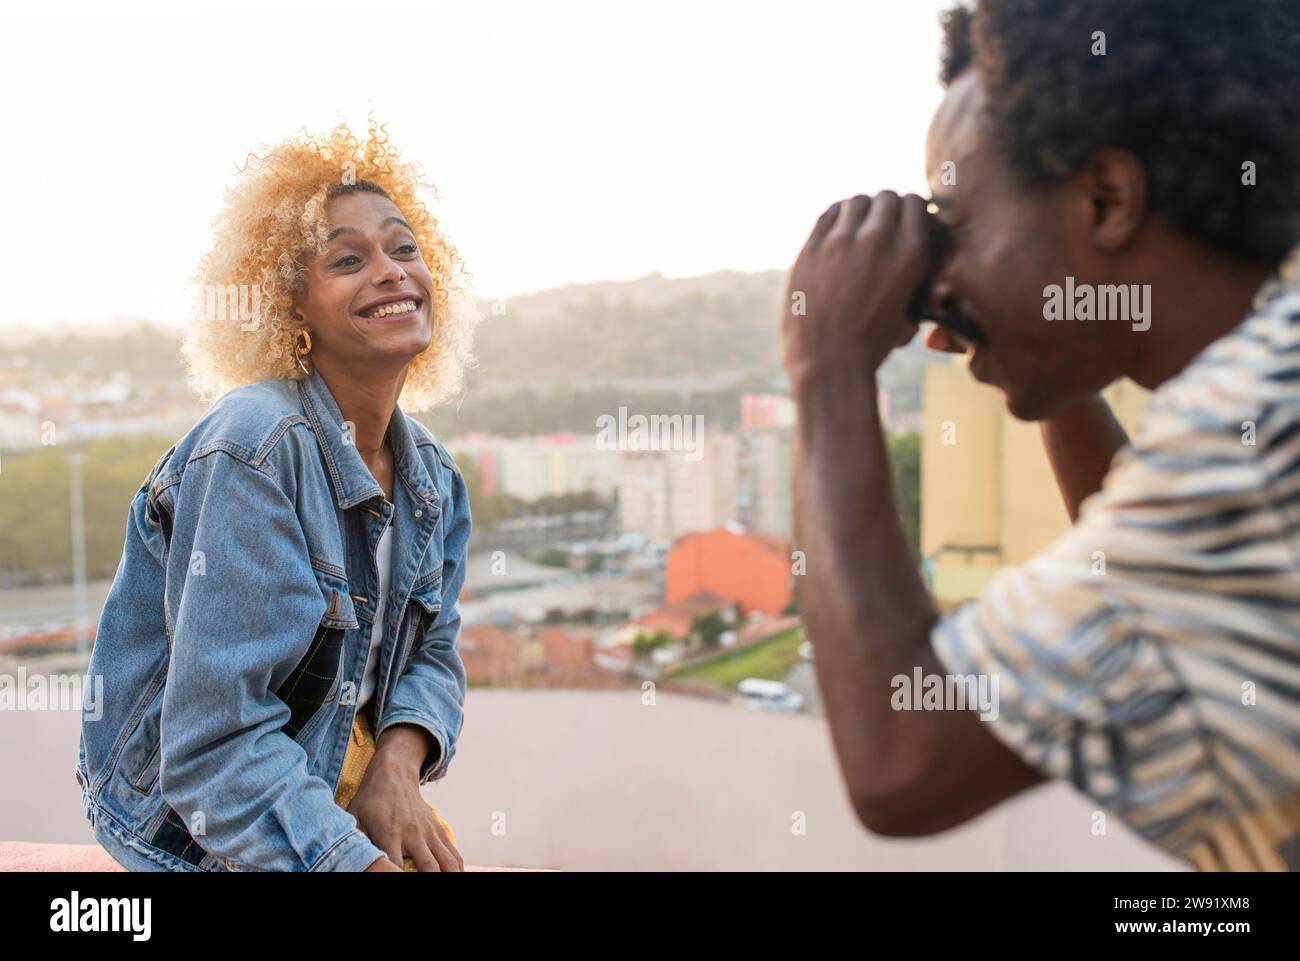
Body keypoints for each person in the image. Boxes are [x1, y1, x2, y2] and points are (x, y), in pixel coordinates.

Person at [782, 0, 1300, 870]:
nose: (937, 277)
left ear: (1106, 198)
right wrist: (1042, 357)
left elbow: (905, 760)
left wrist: (826, 368)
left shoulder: (1248, 448)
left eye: (959, 221)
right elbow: (1149, 594)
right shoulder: (1264, 388)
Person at [77, 120, 477, 872]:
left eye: (403, 247)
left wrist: (397, 764)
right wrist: (346, 859)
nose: (391, 271)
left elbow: (437, 648)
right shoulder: (255, 449)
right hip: (183, 813)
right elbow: (211, 743)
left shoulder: (433, 476)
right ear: (293, 307)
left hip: (317, 763)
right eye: (348, 259)